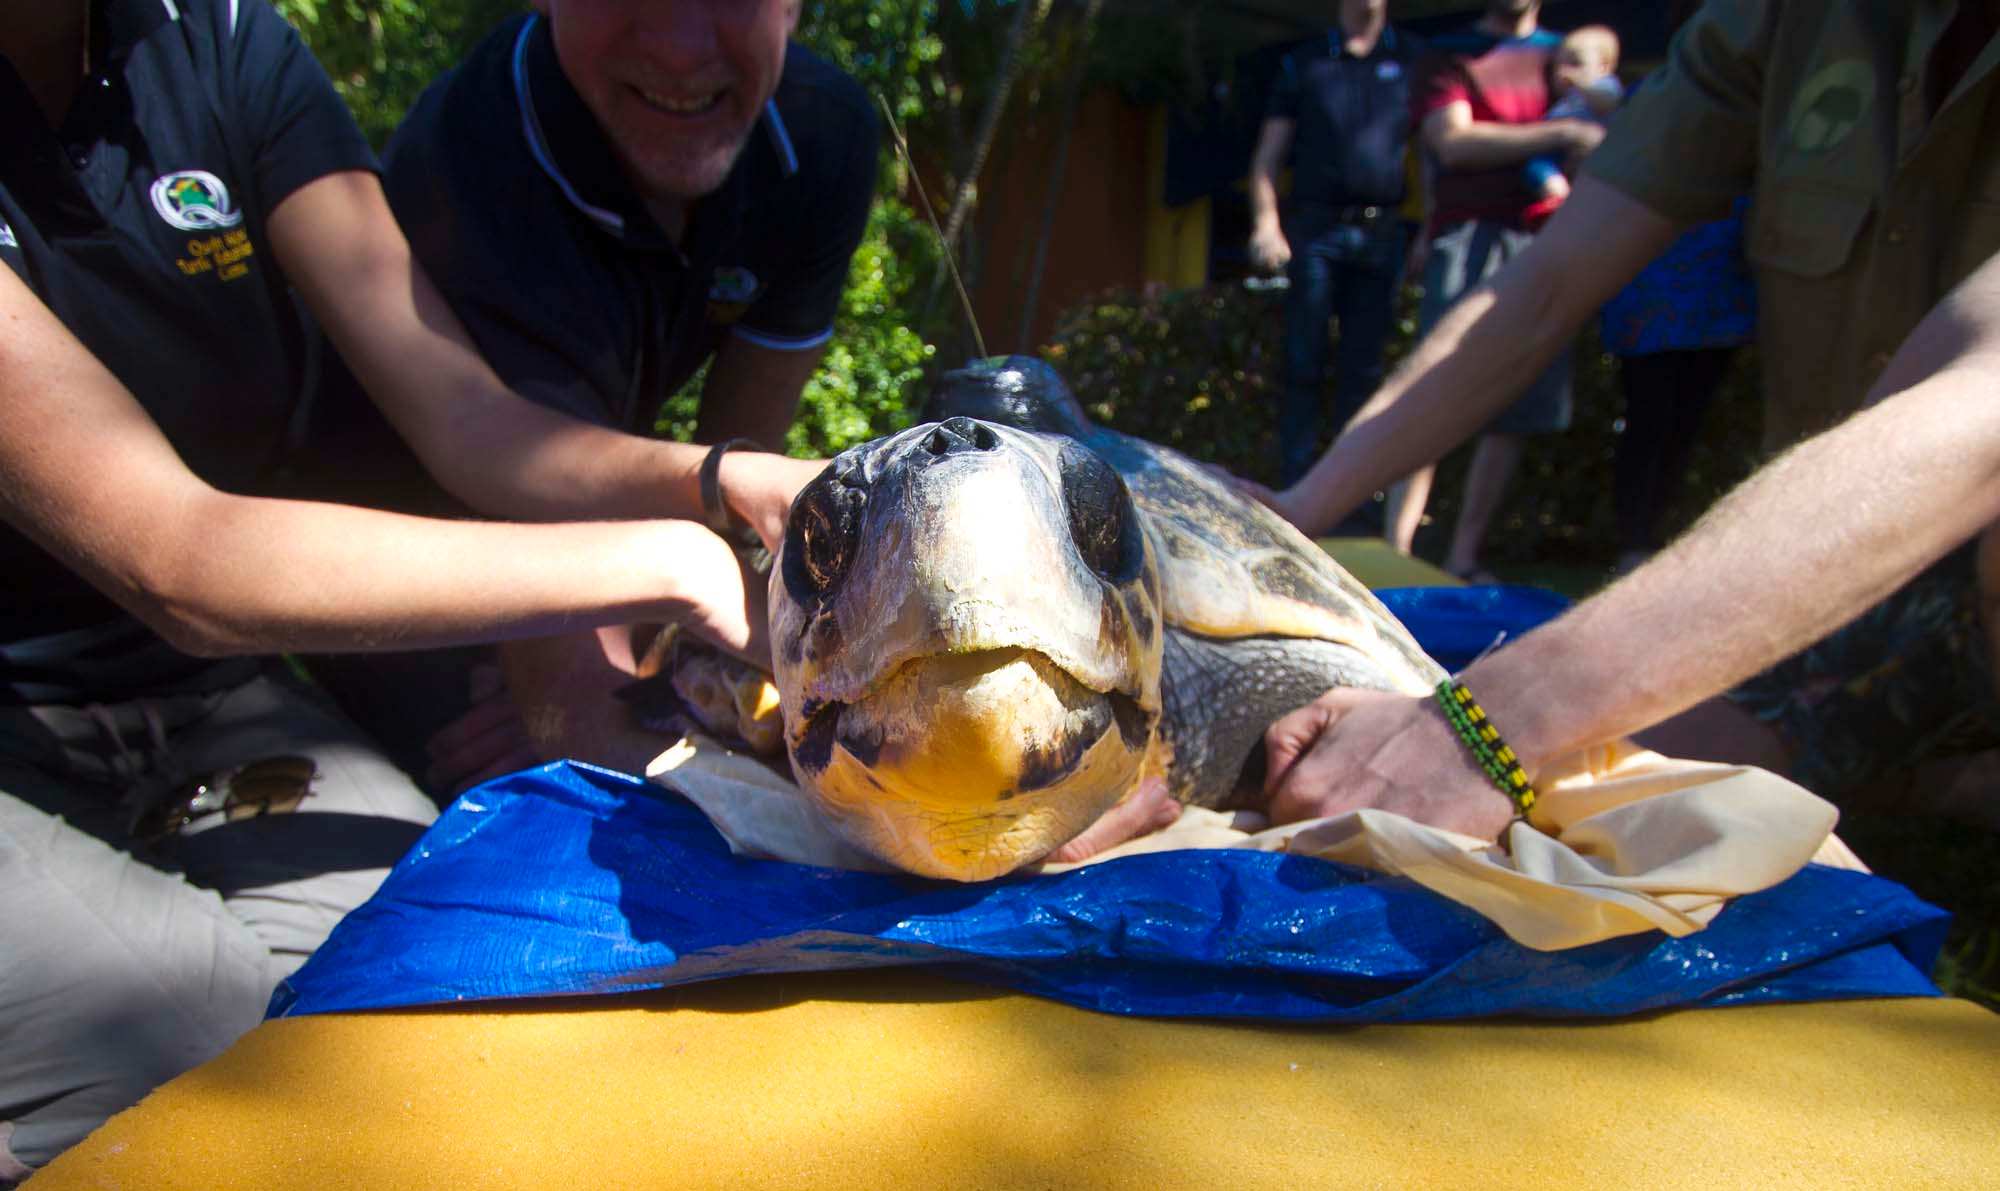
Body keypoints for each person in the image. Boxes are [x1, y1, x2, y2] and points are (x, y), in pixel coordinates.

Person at [0, 0, 817, 1172]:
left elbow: (472, 421)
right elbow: (178, 559)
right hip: (36, 716)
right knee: (195, 1042)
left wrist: (721, 481)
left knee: (438, 962)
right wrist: (673, 563)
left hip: (204, 701)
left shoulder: (224, 44)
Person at [1254, 0, 2000, 839]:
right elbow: (1541, 285)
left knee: (1589, 793)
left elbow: (1983, 415)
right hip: (1828, 577)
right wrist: (1302, 506)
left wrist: (1485, 725)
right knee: (1618, 789)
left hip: (1959, 563)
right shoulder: (1779, 21)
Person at [293, 0, 884, 792]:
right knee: (564, 773)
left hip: (595, 487)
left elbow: (736, 474)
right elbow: (569, 687)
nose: (679, 48)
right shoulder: (475, 168)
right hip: (377, 562)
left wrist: (664, 667)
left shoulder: (824, 136)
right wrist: (591, 699)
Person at [1390, 0, 1605, 574]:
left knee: (1519, 402)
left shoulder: (1573, 54)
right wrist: (1561, 132)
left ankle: (1465, 556)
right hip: (1468, 237)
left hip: (1550, 240)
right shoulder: (1450, 52)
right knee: (1430, 389)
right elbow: (1451, 141)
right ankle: (1398, 552)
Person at [1246, 0, 1420, 511]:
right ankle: (1295, 495)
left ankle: (1355, 501)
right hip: (1316, 230)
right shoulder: (1306, 62)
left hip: (1383, 230)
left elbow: (1430, 150)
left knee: (1364, 371)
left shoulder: (1413, 58)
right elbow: (1266, 159)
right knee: (1303, 361)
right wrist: (1266, 222)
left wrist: (1431, 230)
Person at [1521, 24, 1621, 226]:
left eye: (1576, 63)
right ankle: (1555, 196)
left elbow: (1608, 101)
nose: (1564, 72)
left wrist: (1581, 84)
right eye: (1559, 66)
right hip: (1559, 152)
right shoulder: (1564, 100)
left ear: (1603, 66)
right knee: (1535, 166)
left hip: (1597, 159)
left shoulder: (1605, 85)